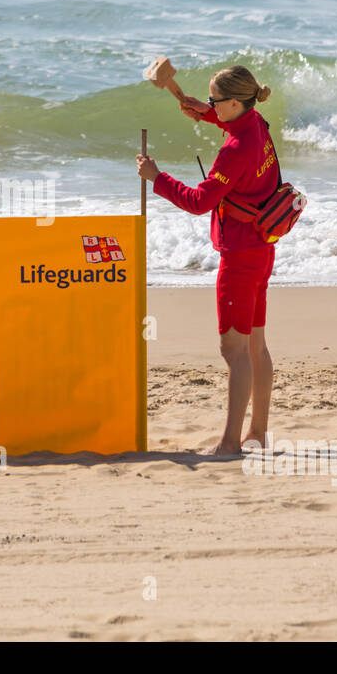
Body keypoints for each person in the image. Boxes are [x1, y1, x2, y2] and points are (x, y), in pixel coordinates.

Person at [136, 58, 278, 456]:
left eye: (216, 101)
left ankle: (231, 442)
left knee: (233, 351)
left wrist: (157, 178)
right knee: (256, 346)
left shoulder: (234, 152)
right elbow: (234, 126)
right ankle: (258, 433)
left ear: (235, 102)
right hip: (263, 247)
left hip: (240, 256)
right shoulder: (257, 123)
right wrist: (201, 109)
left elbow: (199, 202)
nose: (213, 105)